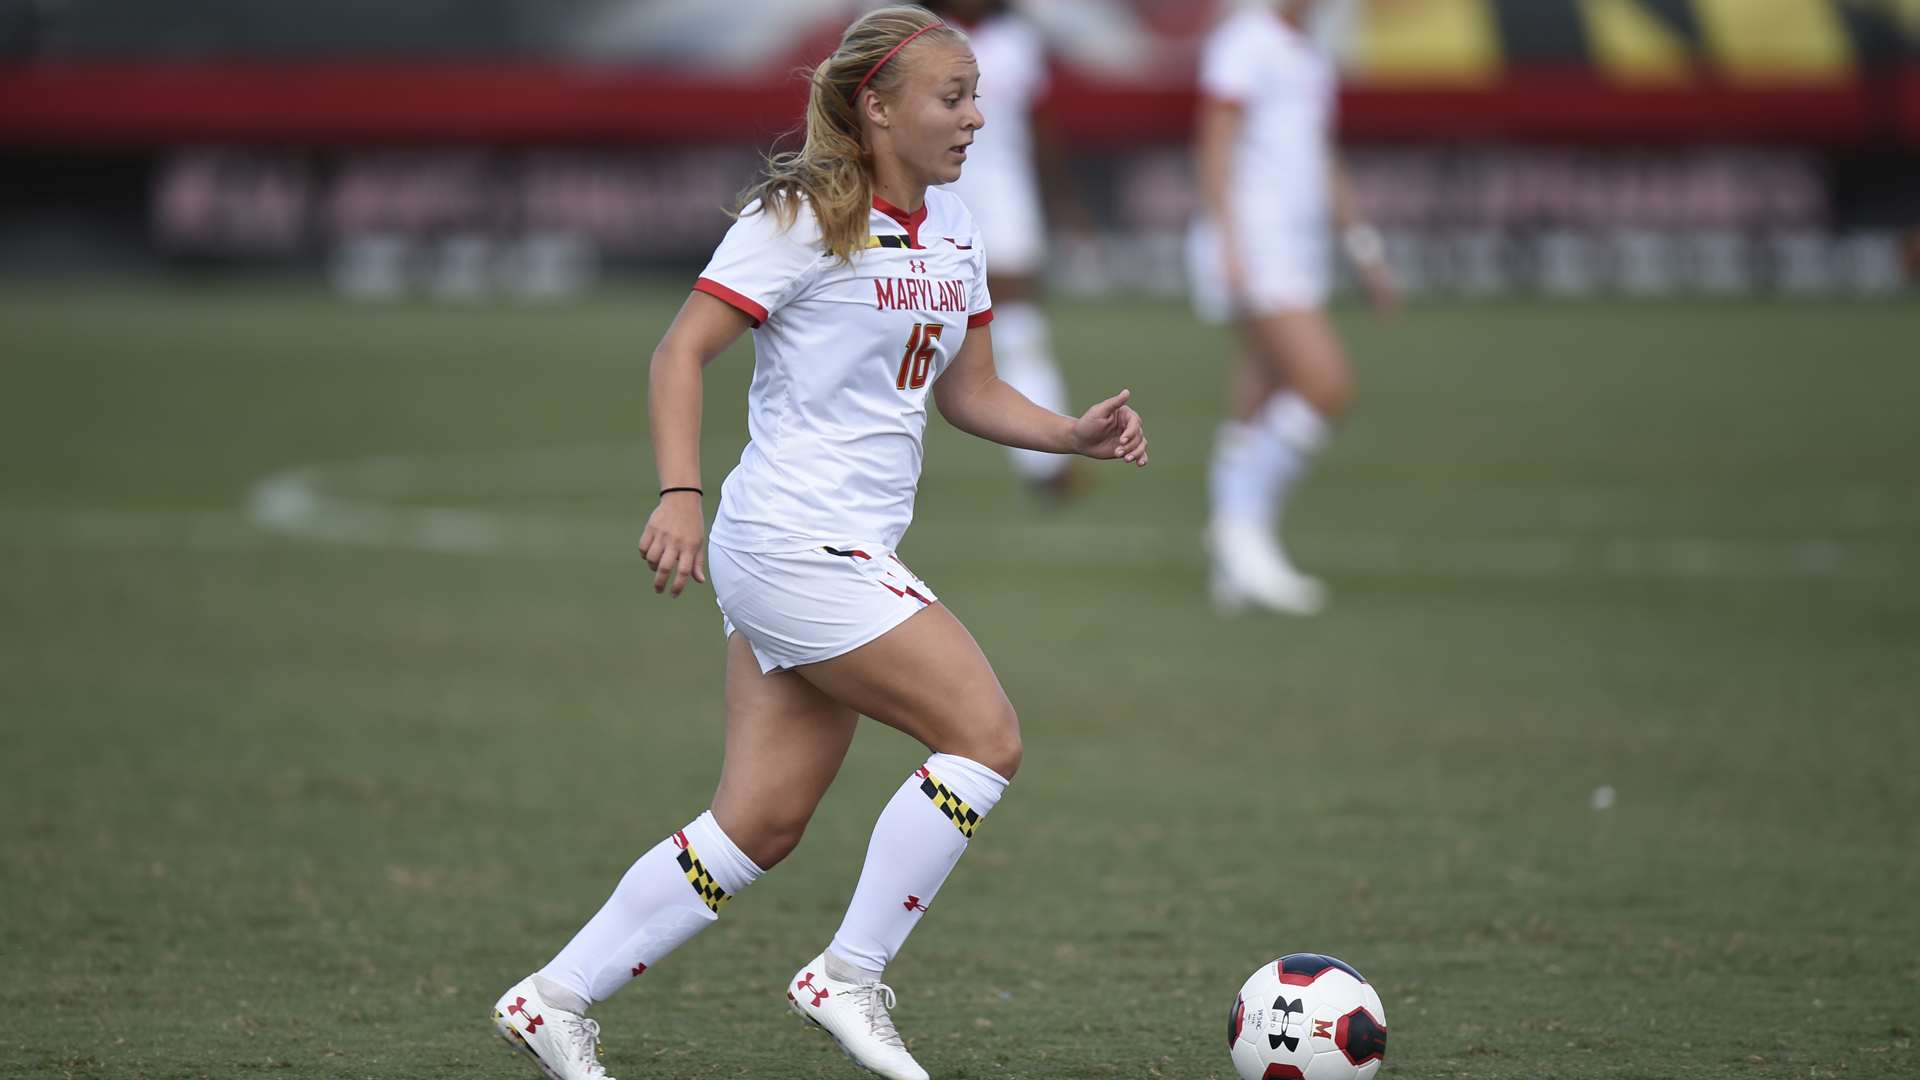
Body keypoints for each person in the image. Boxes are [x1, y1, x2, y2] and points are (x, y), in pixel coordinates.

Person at [489, 8, 1148, 1080]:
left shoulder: (959, 225)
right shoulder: (801, 218)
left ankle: (552, 999)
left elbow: (970, 392)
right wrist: (678, 494)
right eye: (952, 97)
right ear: (876, 109)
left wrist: (1066, 433)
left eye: (977, 93)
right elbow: (678, 353)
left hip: (827, 554)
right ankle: (848, 974)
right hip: (793, 545)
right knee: (985, 737)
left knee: (757, 825)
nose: (976, 115)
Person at [1188, 0, 1396, 616]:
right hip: (1257, 244)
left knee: (1257, 396)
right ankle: (1240, 533)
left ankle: (1235, 557)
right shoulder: (1245, 41)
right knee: (1325, 385)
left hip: (1295, 249)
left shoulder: (1308, 50)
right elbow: (1214, 142)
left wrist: (1364, 248)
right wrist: (1227, 239)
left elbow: (1320, 156)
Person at [929, 0, 1094, 502]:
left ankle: (1045, 463)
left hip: (1004, 195)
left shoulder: (1018, 39)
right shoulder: (919, 32)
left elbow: (1039, 128)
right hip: (932, 190)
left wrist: (1061, 200)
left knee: (1017, 321)